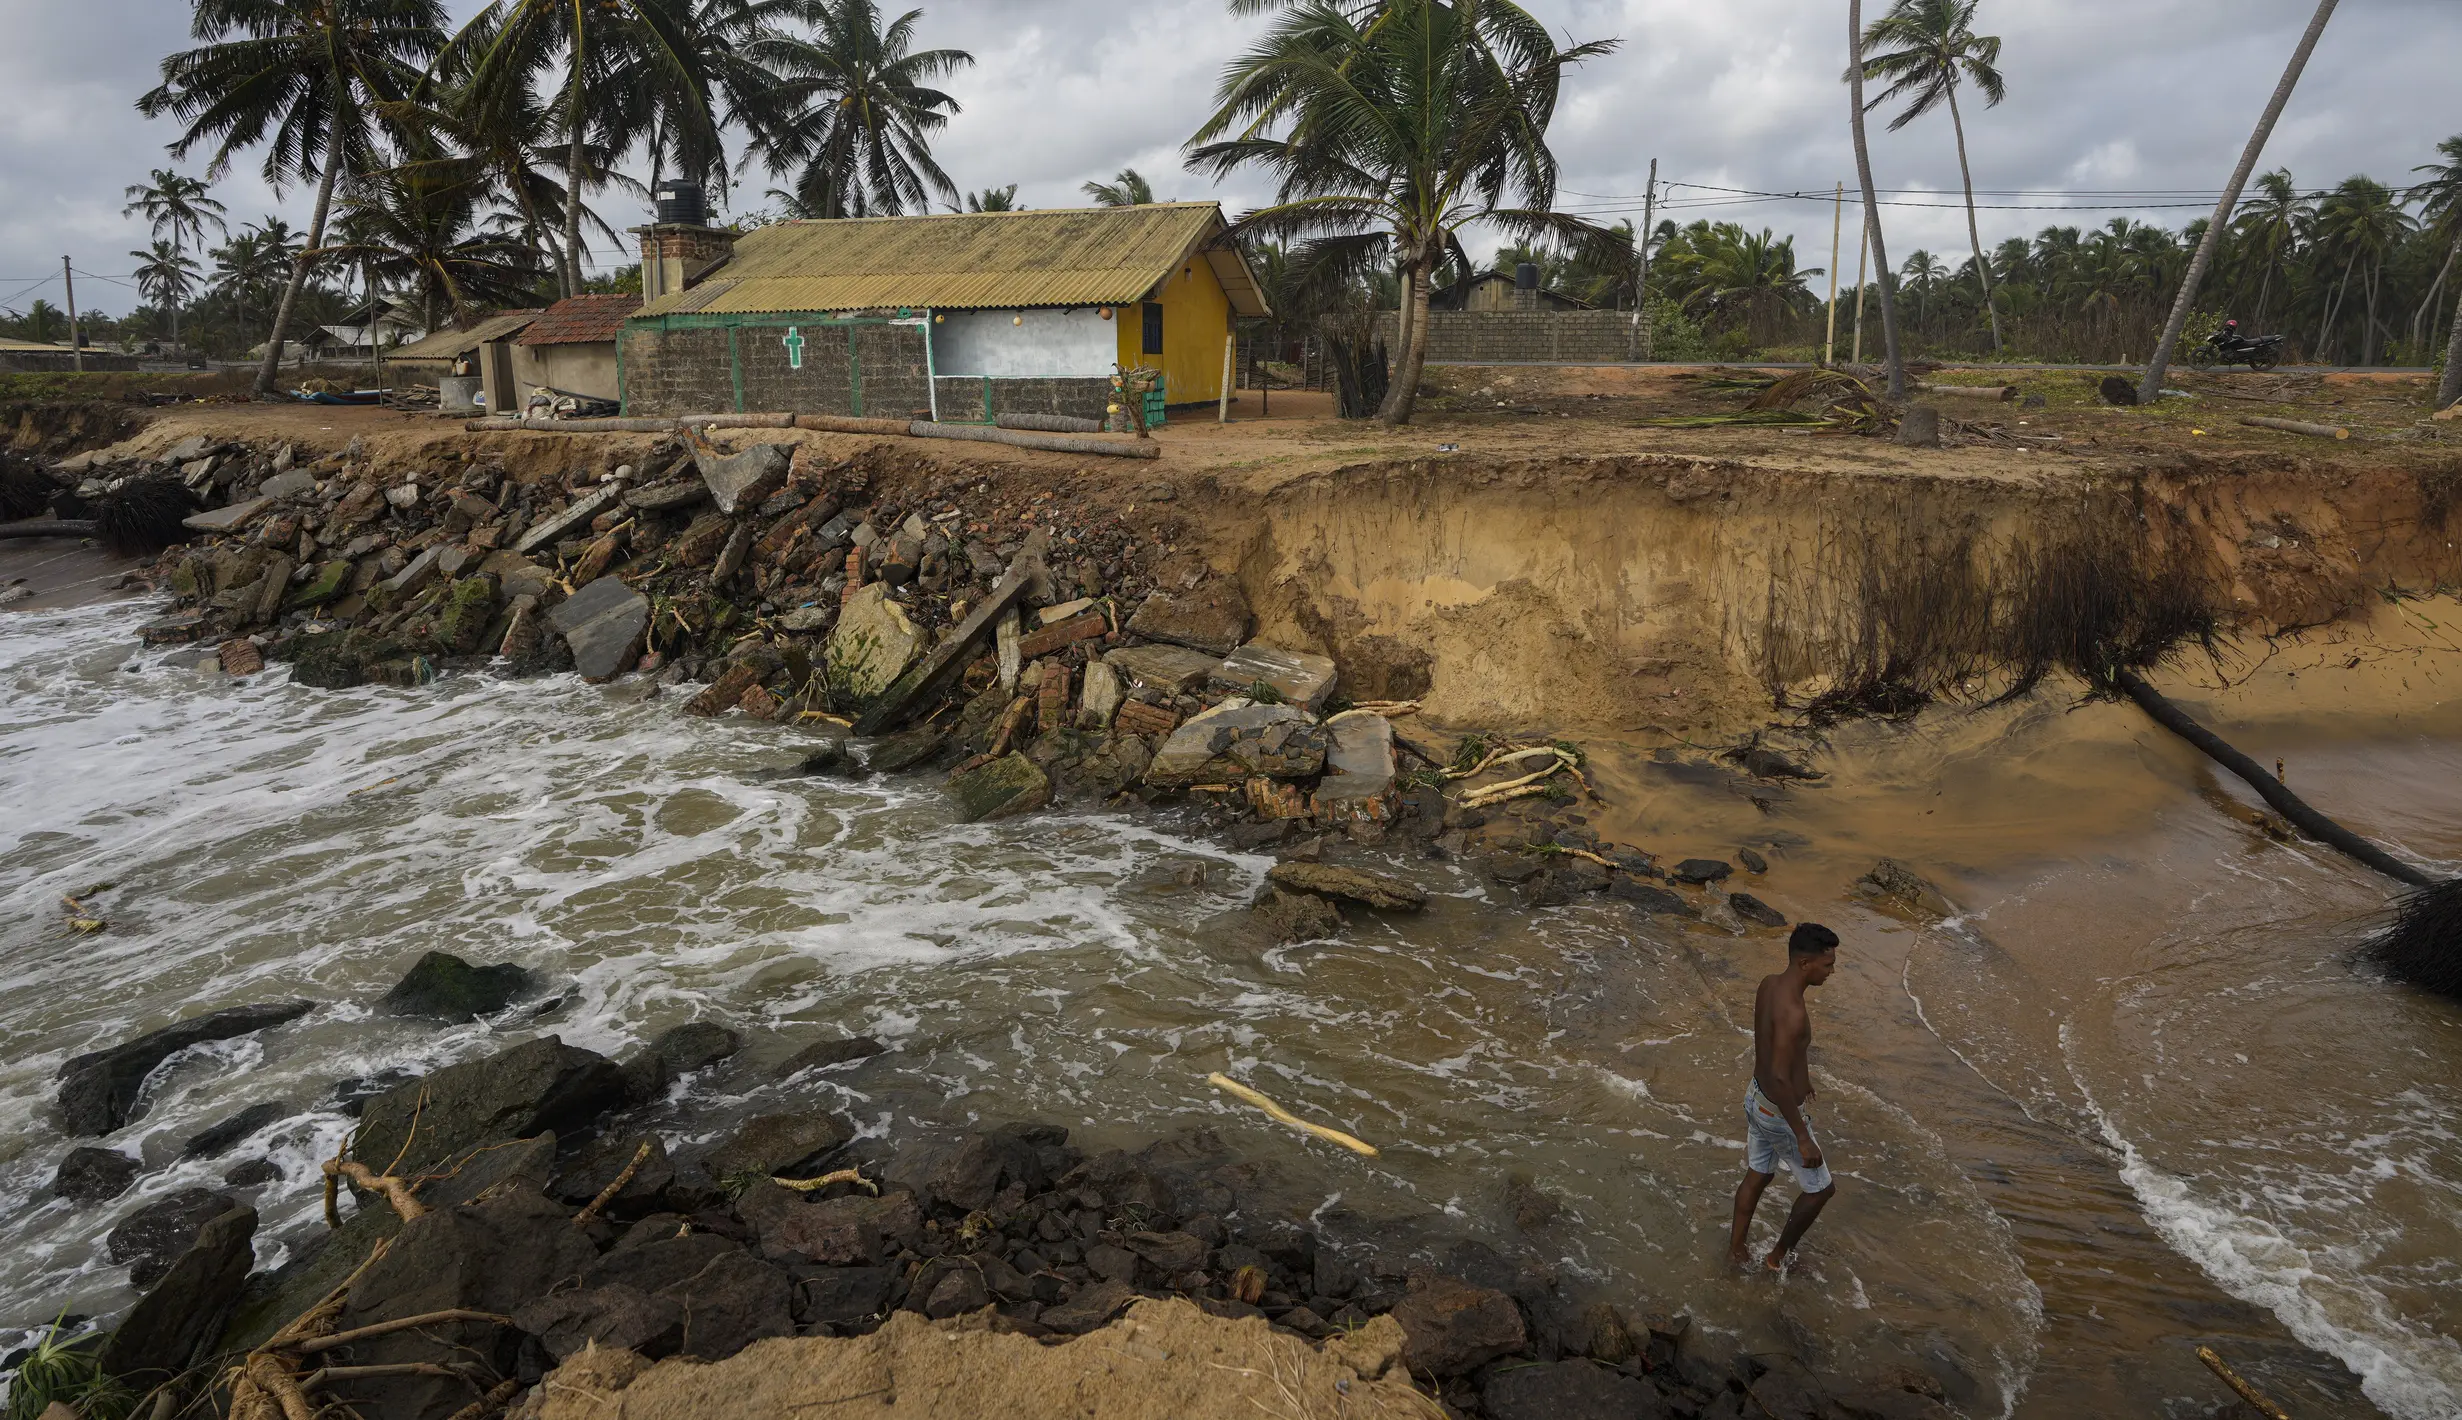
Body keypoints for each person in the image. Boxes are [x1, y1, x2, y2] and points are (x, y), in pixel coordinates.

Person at [1729, 922, 1840, 1272]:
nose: (1831, 972)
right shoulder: (1794, 1013)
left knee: (1759, 1174)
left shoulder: (1769, 984)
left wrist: (1802, 1079)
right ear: (1805, 963)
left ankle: (1736, 1249)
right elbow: (1779, 1074)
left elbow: (1779, 1050)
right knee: (1821, 1190)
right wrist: (1803, 1137)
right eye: (1827, 965)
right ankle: (1776, 1259)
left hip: (1755, 1096)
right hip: (1779, 1111)